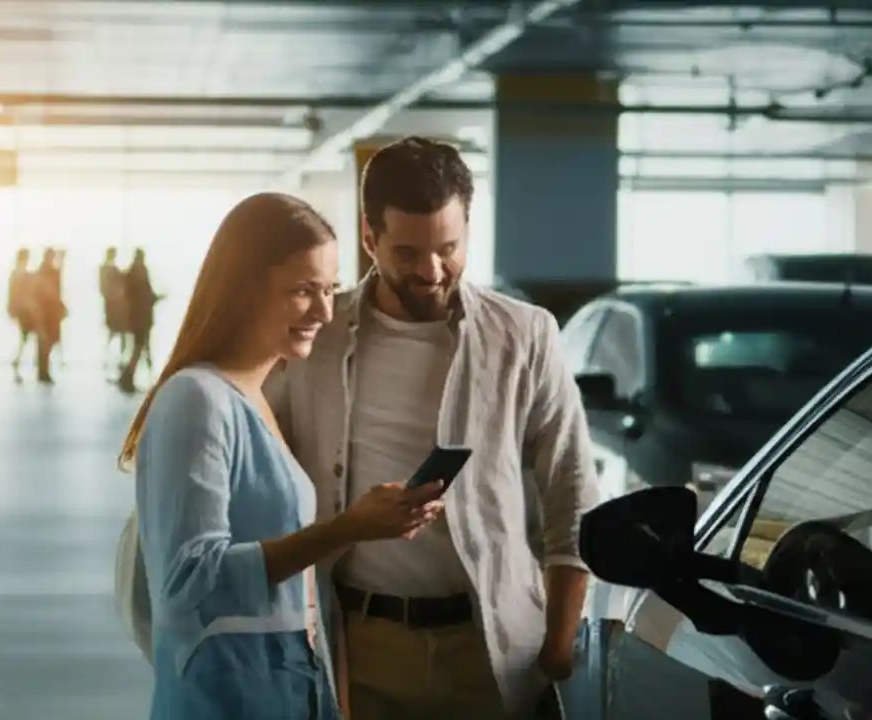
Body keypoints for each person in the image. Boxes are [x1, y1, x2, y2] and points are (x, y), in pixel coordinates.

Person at [267, 137, 600, 719]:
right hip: (361, 645)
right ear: (369, 239)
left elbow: (571, 490)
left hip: (493, 647)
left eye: (449, 247)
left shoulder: (524, 334)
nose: (432, 270)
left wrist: (559, 645)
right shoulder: (313, 340)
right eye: (407, 252)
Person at [117, 192, 446, 719]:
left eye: (330, 289)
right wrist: (346, 529)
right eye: (302, 291)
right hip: (230, 693)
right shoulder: (197, 400)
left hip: (282, 682)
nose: (323, 310)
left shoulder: (257, 398)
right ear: (242, 291)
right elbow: (189, 581)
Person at [118, 248, 159, 394]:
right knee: (139, 348)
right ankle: (128, 377)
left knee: (139, 348)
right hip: (142, 318)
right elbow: (146, 296)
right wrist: (156, 298)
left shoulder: (131, 274)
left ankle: (128, 377)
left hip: (136, 318)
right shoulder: (139, 274)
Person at [34, 248, 67, 385]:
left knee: (47, 341)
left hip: (49, 311)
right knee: (46, 341)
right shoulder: (45, 272)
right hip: (46, 312)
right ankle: (43, 371)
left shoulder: (45, 271)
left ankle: (43, 370)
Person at [8, 248, 39, 384]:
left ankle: (19, 360)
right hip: (25, 310)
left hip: (23, 309)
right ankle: (19, 361)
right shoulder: (20, 273)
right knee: (27, 336)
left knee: (26, 337)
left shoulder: (17, 273)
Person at [100, 246, 129, 361]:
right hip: (113, 305)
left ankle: (119, 355)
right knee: (116, 331)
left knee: (118, 332)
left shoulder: (108, 269)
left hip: (115, 305)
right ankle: (116, 356)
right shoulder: (107, 269)